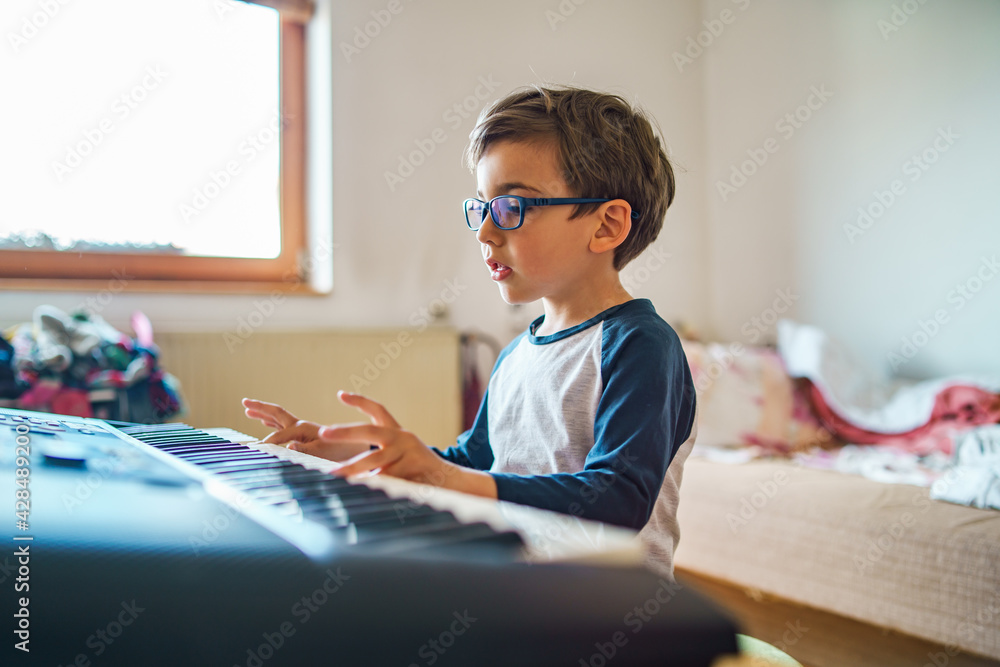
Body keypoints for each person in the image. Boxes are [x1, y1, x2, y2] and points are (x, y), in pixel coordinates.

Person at [243, 85, 697, 576]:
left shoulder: (641, 345)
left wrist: (442, 475)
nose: (484, 232)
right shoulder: (518, 354)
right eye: (482, 207)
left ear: (606, 225)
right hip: (524, 591)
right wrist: (352, 447)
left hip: (615, 614)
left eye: (512, 207)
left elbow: (618, 500)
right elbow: (474, 463)